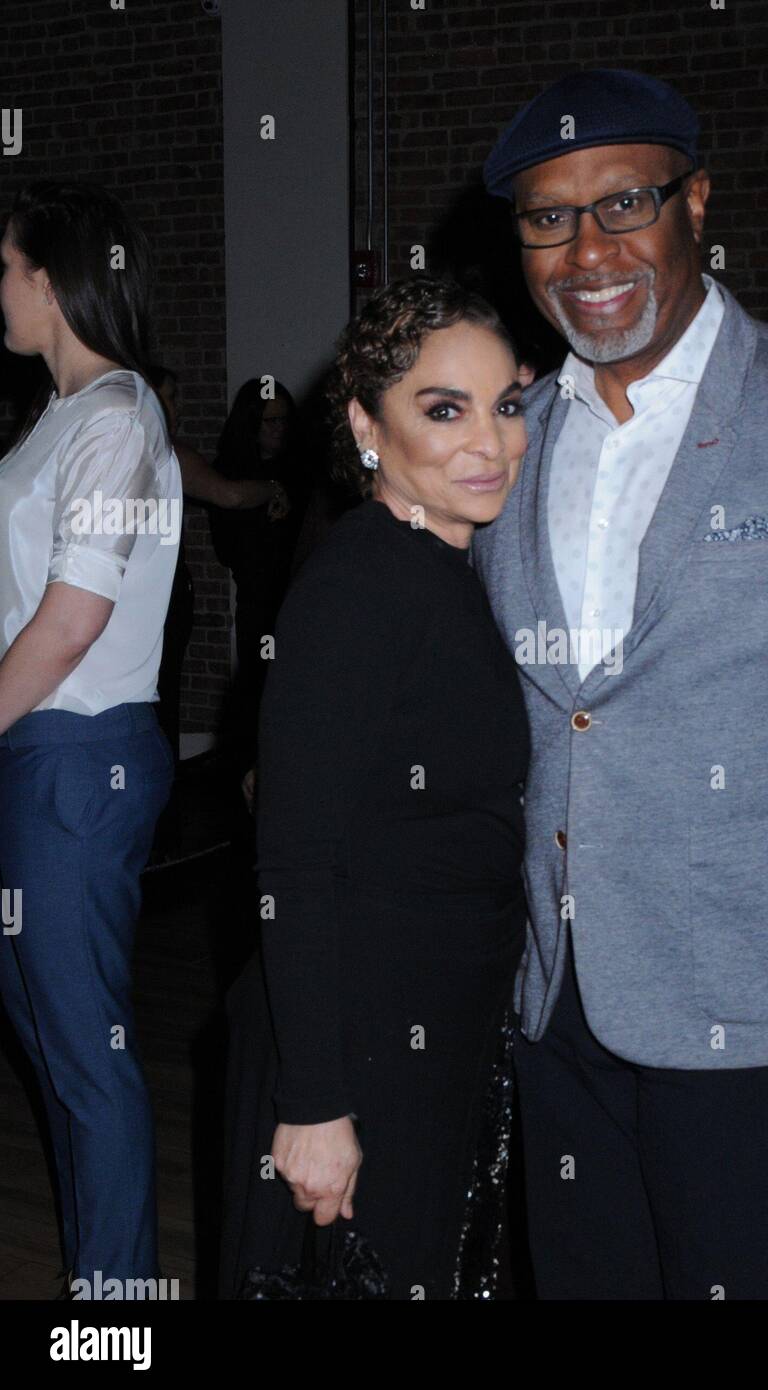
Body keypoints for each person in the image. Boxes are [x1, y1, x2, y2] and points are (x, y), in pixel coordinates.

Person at [474, 68, 768, 1299]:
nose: (588, 250)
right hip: (552, 999)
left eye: (623, 203)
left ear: (696, 204)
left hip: (752, 1012)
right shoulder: (510, 436)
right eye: (548, 217)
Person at [219, 275, 530, 1299]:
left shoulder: (446, 568)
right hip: (356, 1036)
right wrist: (313, 1102)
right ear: (365, 426)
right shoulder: (361, 584)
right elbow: (292, 860)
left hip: (432, 1018)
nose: (489, 442)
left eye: (506, 405)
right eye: (444, 409)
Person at [0, 180, 180, 1295]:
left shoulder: (115, 415)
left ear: (52, 281)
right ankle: (97, 1289)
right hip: (41, 751)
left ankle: (117, 1323)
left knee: (87, 1060)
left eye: (6, 266)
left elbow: (71, 622)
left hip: (77, 755)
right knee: (56, 1044)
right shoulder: (66, 414)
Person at [148, 364, 285, 858]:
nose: (177, 409)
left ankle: (157, 821)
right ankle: (156, 821)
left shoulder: (145, 449)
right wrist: (274, 488)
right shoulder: (158, 449)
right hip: (148, 599)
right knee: (154, 705)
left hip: (157, 597)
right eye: (168, 397)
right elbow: (229, 496)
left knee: (157, 702)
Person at [208, 379, 305, 781]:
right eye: (270, 421)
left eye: (285, 420)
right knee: (257, 690)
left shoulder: (303, 469)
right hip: (259, 601)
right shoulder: (231, 472)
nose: (280, 429)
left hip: (303, 599)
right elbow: (228, 549)